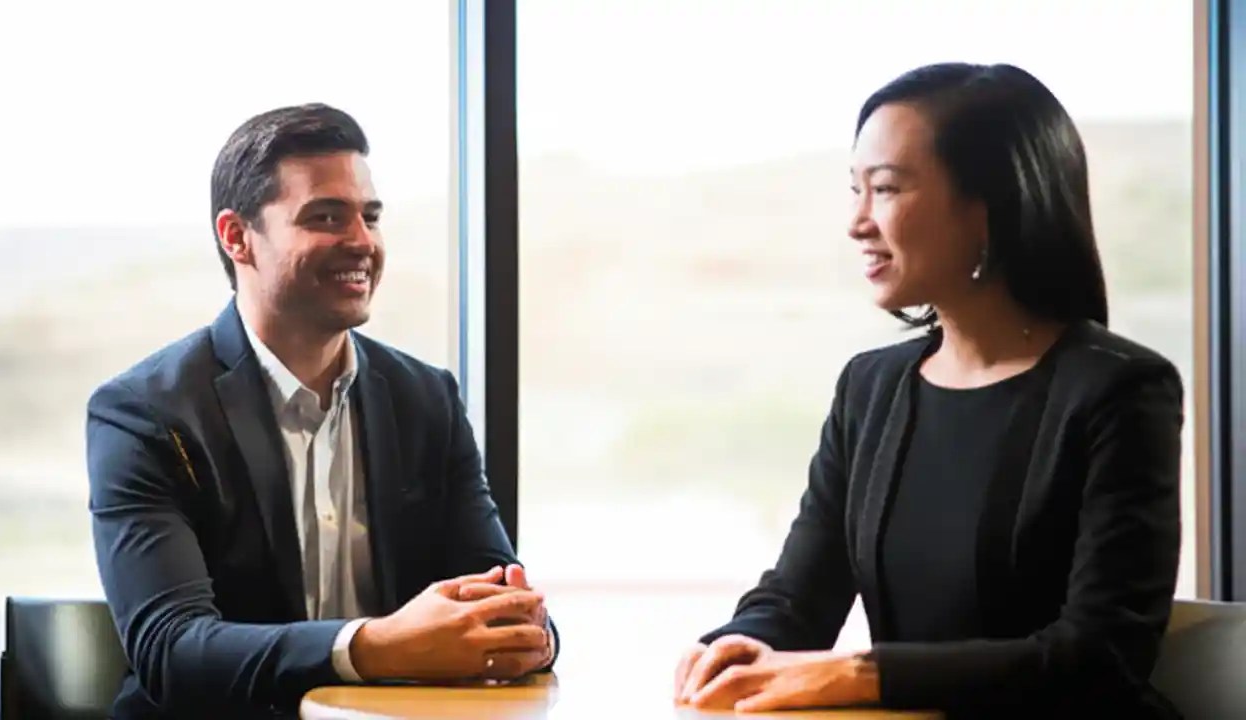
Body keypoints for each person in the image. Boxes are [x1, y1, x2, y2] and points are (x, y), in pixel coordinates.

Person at [673, 63, 1183, 718]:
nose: (858, 222)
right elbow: (797, 598)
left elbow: (1100, 657)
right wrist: (738, 646)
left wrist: (859, 672)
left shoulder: (1121, 391)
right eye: (854, 190)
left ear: (989, 210)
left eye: (884, 189)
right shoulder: (871, 387)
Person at [87, 103, 556, 719]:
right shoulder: (145, 413)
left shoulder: (426, 400)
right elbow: (171, 651)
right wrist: (376, 646)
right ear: (237, 237)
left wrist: (523, 631)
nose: (361, 241)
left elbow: (503, 598)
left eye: (370, 216)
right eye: (326, 217)